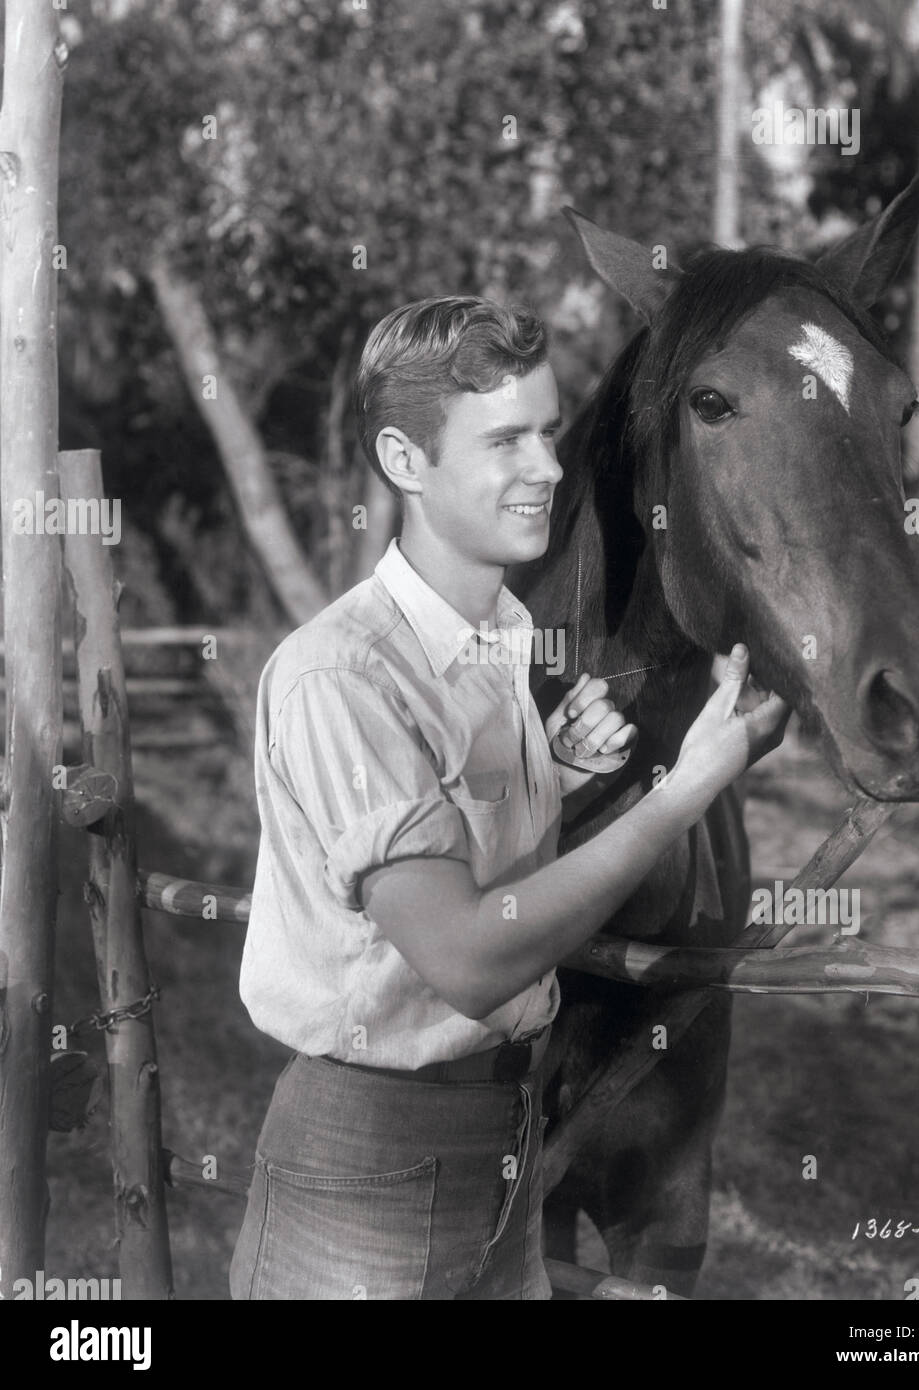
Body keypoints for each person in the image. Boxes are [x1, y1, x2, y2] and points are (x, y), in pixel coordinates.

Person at [229, 295, 788, 1301]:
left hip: (504, 1143)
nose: (548, 466)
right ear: (404, 462)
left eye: (546, 427)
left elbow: (483, 872)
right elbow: (471, 958)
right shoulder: (341, 676)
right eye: (505, 441)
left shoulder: (502, 649)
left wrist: (557, 782)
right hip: (370, 1164)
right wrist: (686, 787)